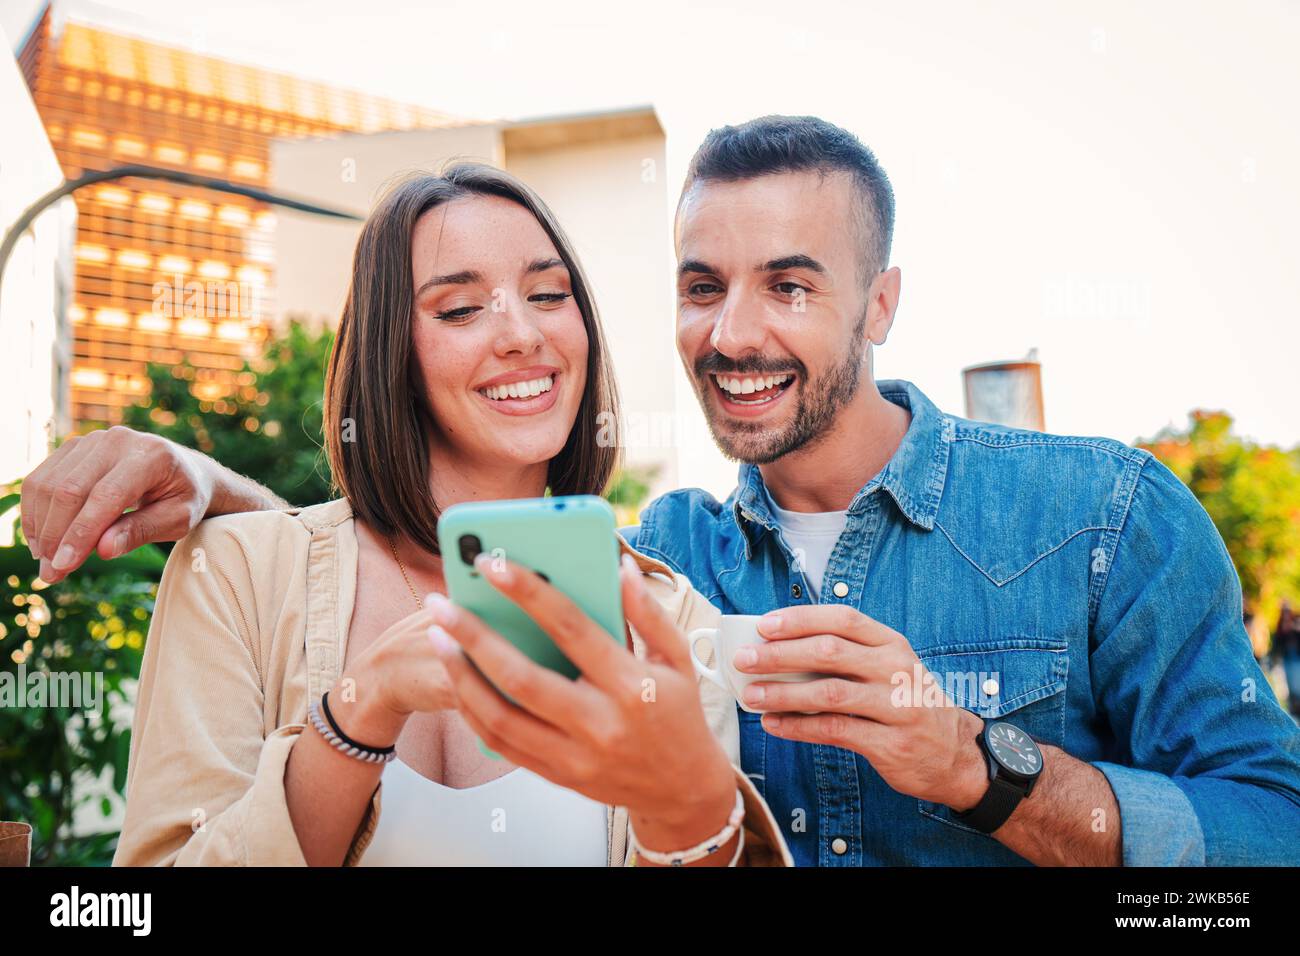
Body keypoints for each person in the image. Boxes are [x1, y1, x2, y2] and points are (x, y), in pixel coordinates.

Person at [26, 117, 1300, 867]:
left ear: (882, 304)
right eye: (701, 286)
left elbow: (1269, 838)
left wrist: (983, 766)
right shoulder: (666, 561)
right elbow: (394, 562)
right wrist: (214, 485)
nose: (733, 331)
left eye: (790, 284)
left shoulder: (1102, 517)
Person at [34, 163, 791, 866]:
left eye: (549, 295)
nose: (522, 334)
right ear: (390, 350)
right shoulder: (233, 573)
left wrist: (693, 811)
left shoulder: (668, 615)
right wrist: (358, 715)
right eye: (461, 309)